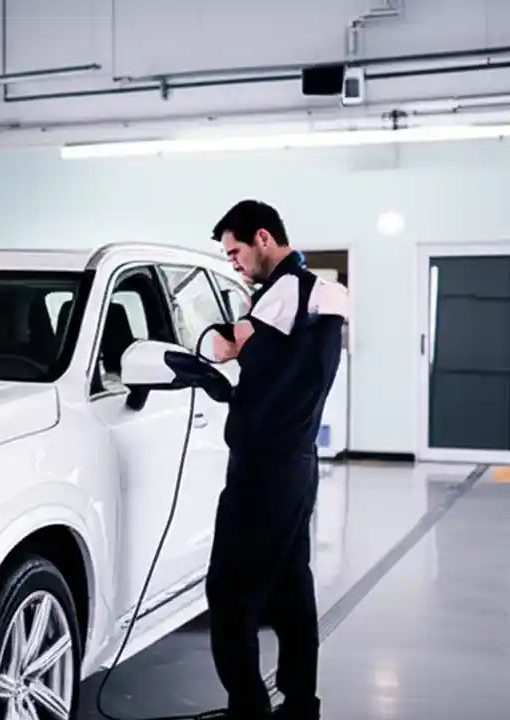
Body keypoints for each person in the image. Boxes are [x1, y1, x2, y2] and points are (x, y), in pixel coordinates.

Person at [203, 199, 348, 719]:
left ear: (263, 237)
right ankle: (300, 704)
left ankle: (248, 710)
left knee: (230, 592)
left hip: (264, 468)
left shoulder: (285, 295)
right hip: (296, 464)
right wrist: (244, 337)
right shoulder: (319, 298)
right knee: (289, 586)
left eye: (235, 250)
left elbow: (238, 349)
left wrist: (235, 342)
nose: (234, 263)